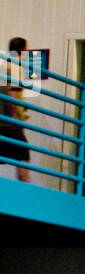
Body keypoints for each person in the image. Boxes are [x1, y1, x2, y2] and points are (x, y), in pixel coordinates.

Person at [2, 36, 32, 182]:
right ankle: (25, 194)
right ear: (23, 50)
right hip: (10, 122)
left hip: (2, 120)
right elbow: (12, 93)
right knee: (23, 156)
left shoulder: (3, 66)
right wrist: (14, 116)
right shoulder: (15, 66)